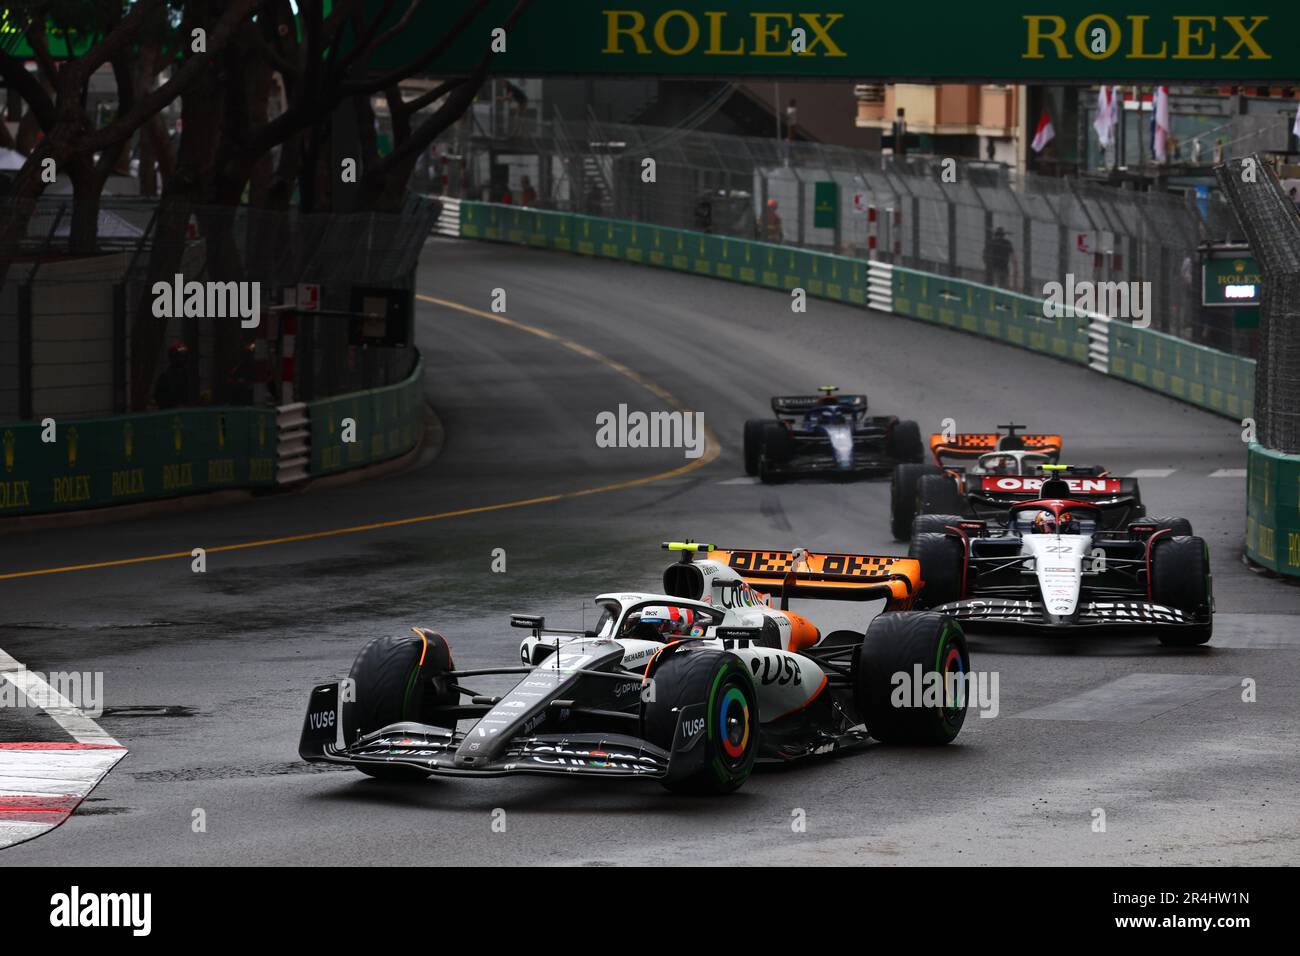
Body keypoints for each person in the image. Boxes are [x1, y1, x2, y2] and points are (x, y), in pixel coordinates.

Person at [154, 340, 191, 409]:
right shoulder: (165, 377)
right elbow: (160, 398)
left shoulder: (188, 375)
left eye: (184, 356)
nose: (182, 359)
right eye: (180, 356)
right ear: (173, 357)